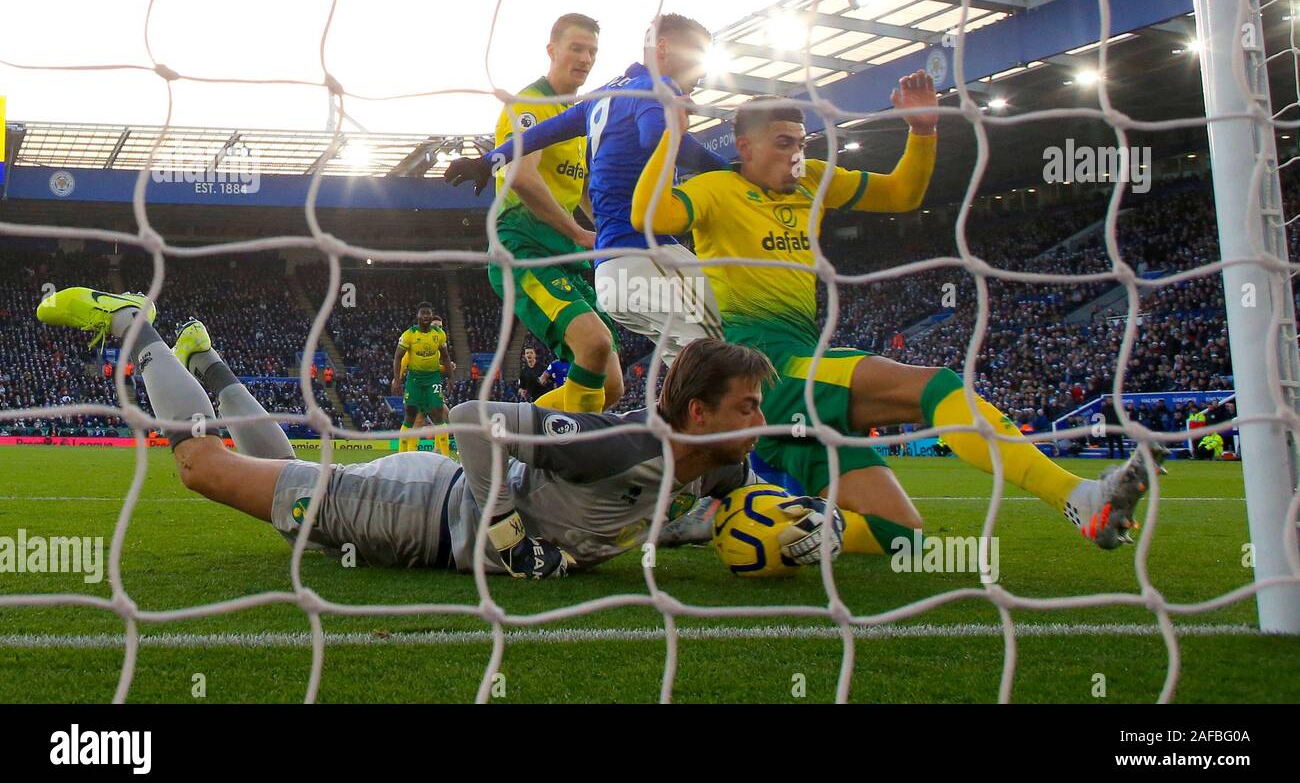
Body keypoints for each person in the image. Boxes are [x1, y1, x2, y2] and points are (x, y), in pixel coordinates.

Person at [631, 87, 1167, 552]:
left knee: (902, 535)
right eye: (783, 143)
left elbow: (902, 193)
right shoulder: (715, 191)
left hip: (803, 371)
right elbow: (646, 217)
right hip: (768, 370)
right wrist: (668, 137)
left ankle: (732, 521)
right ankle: (1078, 497)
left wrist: (923, 131)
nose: (797, 156)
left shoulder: (813, 179)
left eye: (801, 143)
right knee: (935, 386)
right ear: (744, 147)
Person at [35, 288, 838, 577]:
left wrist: (819, 529)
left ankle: (207, 361)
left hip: (427, 510)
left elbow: (743, 508)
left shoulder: (716, 471)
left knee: (301, 502)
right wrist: (498, 520)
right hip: (424, 514)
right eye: (747, 410)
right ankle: (135, 329)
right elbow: (472, 419)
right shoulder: (631, 445)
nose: (759, 426)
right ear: (697, 414)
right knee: (205, 470)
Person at [447, 13, 728, 364]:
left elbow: (554, 152)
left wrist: (489, 160)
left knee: (617, 374)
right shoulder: (652, 92)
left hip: (606, 265)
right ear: (664, 48)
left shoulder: (602, 97)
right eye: (576, 48)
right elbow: (656, 138)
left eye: (591, 51)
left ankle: (670, 416)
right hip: (607, 253)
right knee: (726, 339)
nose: (700, 71)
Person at [484, 12, 624, 413]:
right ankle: (516, 447)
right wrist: (580, 234)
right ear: (552, 50)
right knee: (593, 343)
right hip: (521, 245)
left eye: (592, 52)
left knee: (610, 385)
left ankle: (523, 439)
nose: (585, 58)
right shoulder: (531, 104)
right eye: (576, 48)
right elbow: (522, 178)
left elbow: (585, 192)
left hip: (559, 251)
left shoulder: (577, 116)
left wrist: (618, 233)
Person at [391, 303, 455, 457]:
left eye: (441, 325)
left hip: (432, 379)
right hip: (416, 380)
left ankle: (441, 453)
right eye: (437, 325)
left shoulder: (439, 336)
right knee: (415, 418)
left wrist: (449, 374)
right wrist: (397, 379)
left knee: (440, 414)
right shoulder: (410, 335)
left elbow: (444, 358)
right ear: (418, 316)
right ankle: (407, 455)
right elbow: (402, 359)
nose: (439, 327)